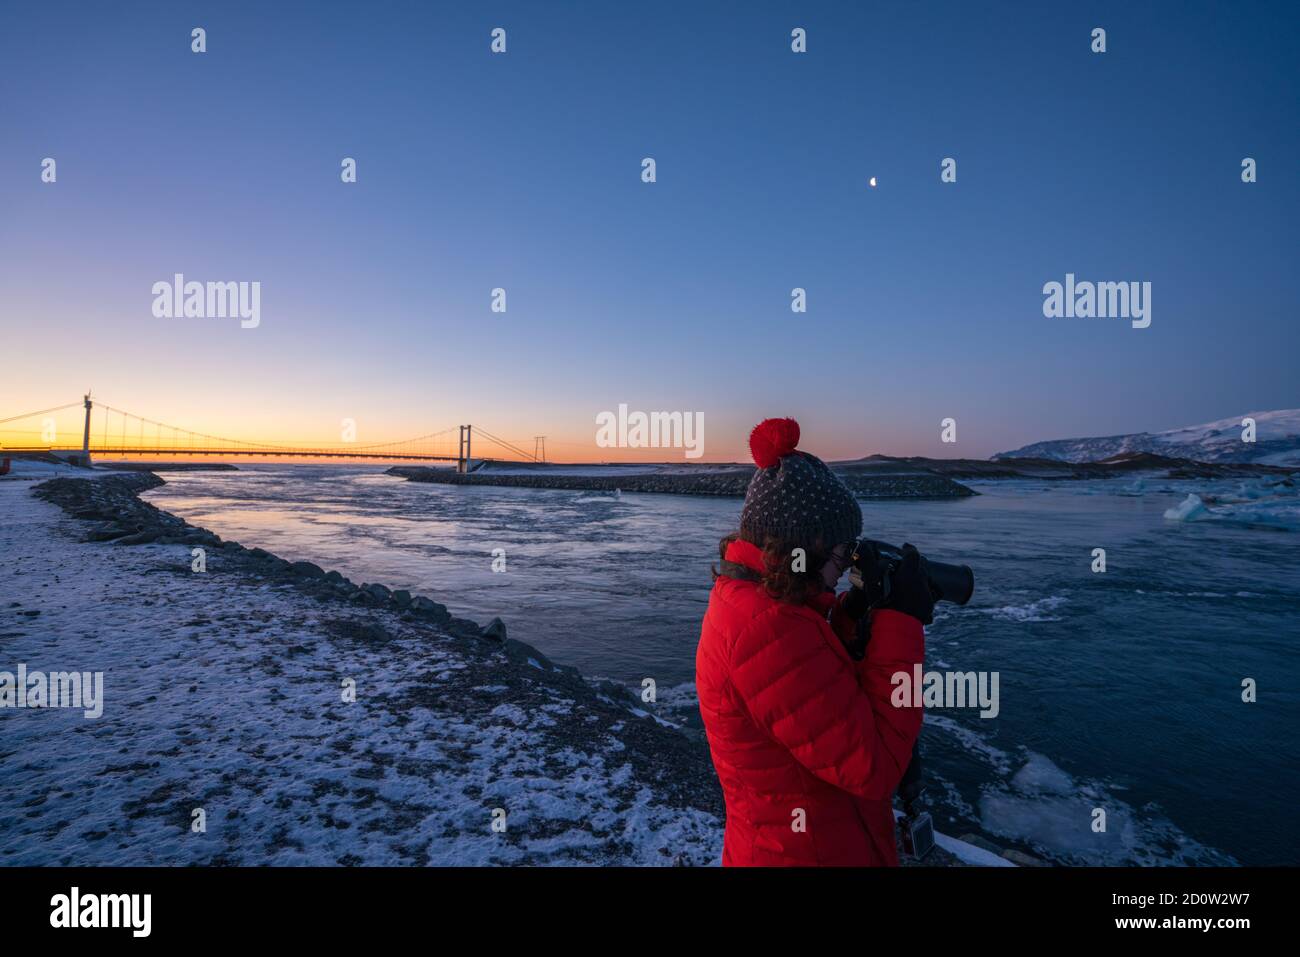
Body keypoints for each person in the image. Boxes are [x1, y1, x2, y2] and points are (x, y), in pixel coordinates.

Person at [695, 417, 934, 866]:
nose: (847, 563)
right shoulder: (769, 628)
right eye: (843, 550)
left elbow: (810, 684)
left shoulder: (756, 600)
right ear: (806, 547)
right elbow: (875, 767)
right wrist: (901, 621)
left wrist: (851, 614)